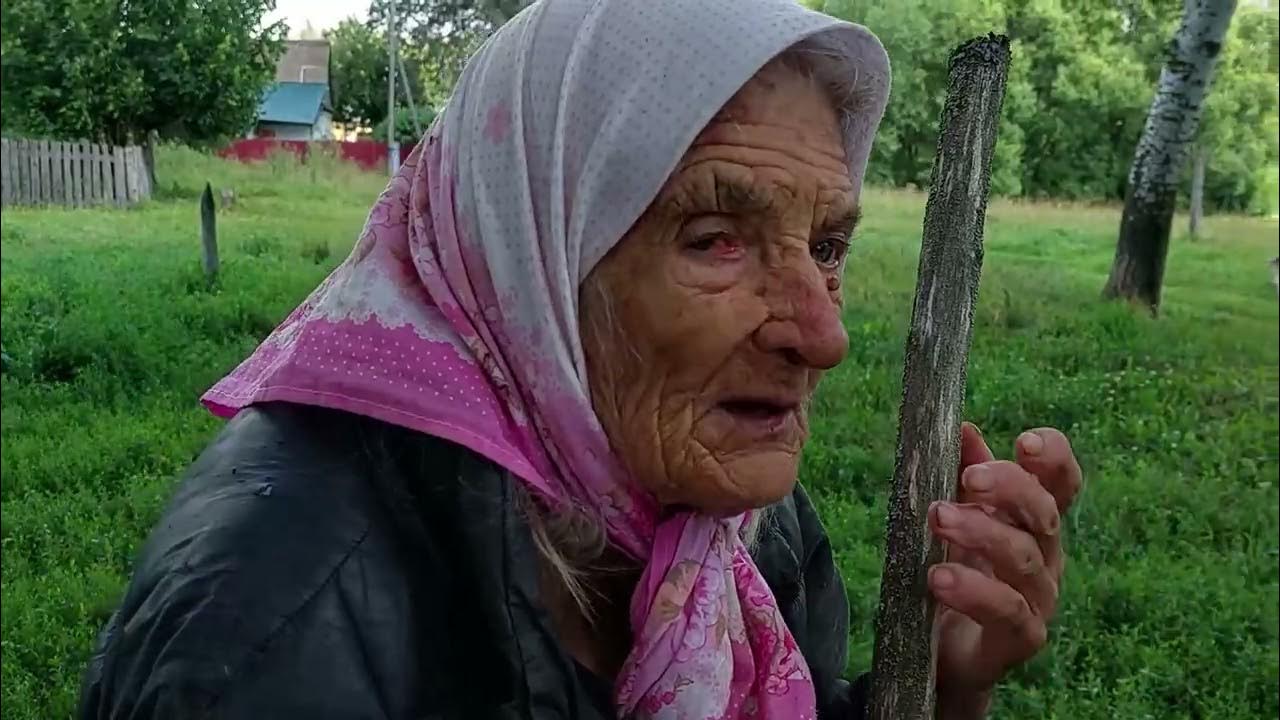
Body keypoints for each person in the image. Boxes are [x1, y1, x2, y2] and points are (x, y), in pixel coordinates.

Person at [77, 1, 1083, 718]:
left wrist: (943, 694)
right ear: (531, 264)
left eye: (826, 247)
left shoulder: (740, 532)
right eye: (715, 240)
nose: (821, 334)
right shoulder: (279, 630)